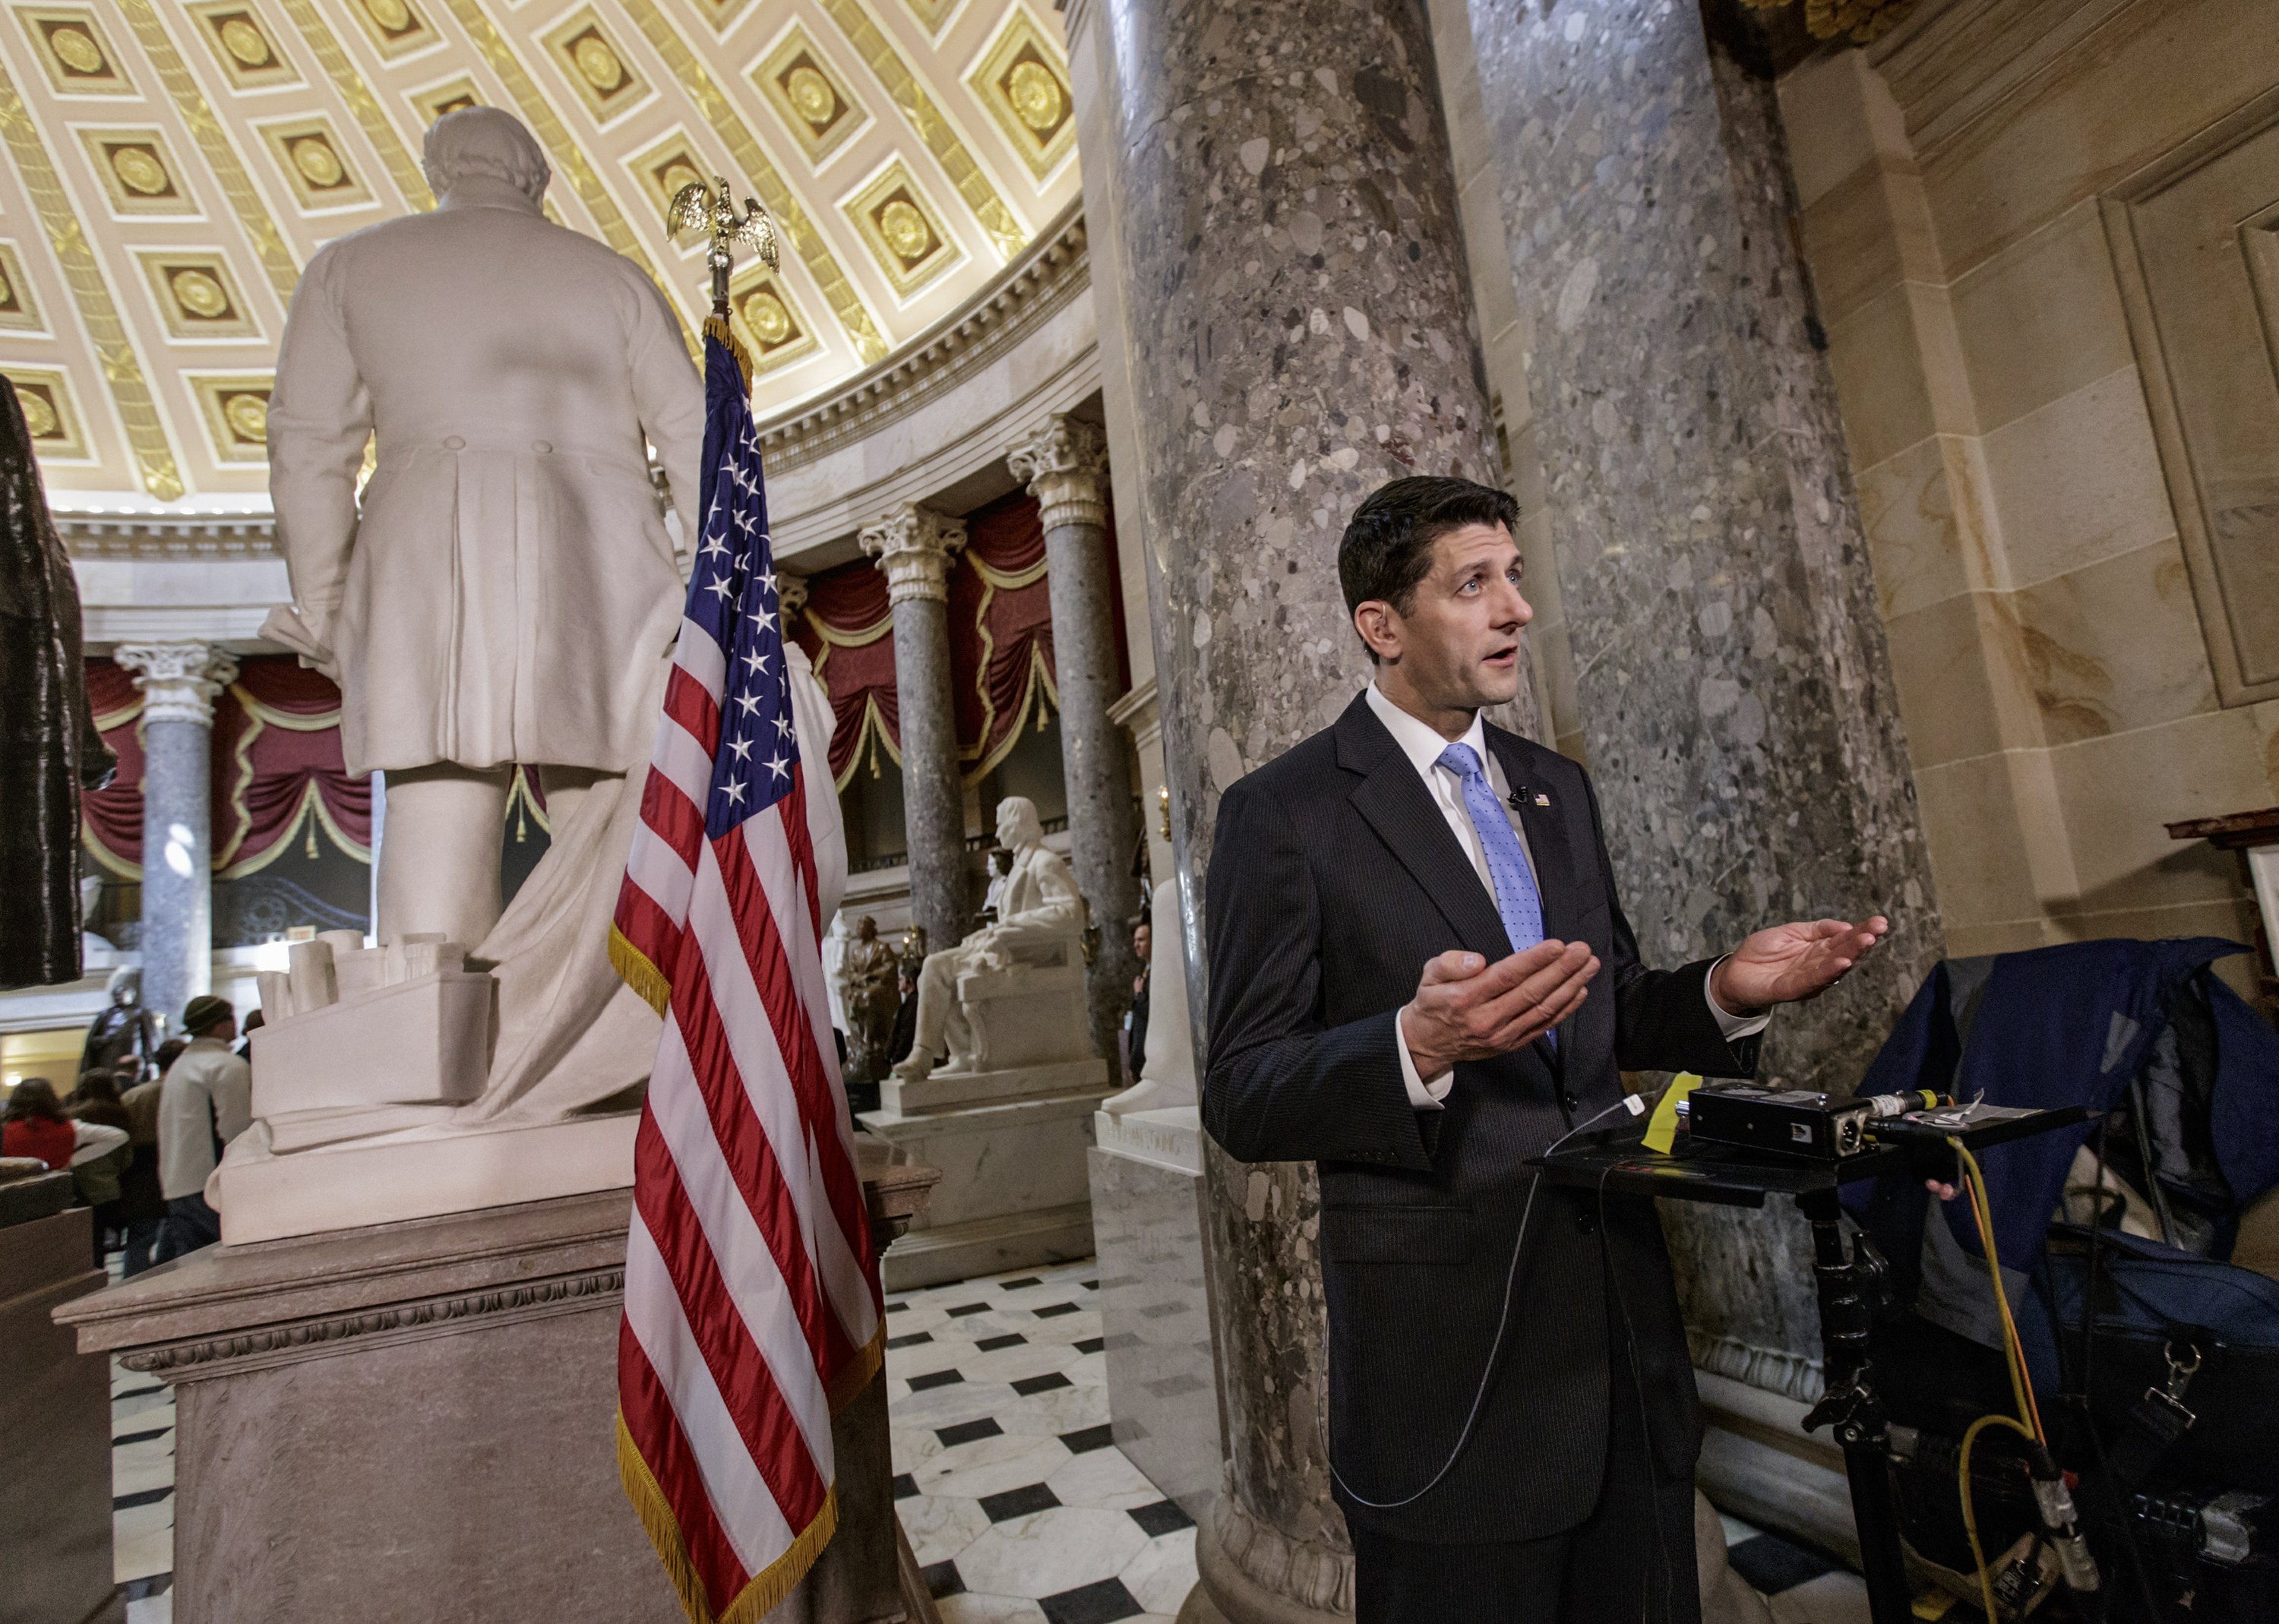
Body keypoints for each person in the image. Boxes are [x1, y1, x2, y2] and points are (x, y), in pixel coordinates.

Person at [1203, 476, 1892, 1624]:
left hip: (1623, 1340)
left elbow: (1601, 1004)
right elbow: (1242, 1087)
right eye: (1475, 584)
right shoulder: (1286, 813)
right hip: (1452, 1367)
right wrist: (1414, 1045)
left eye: (1515, 576)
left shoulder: (1554, 786)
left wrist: (1725, 990)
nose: (1517, 607)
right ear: (1384, 624)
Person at [155, 995, 252, 1262]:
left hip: (177, 1182)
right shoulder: (225, 1066)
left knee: (195, 1266)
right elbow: (237, 1130)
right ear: (219, 1025)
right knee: (234, 1262)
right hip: (211, 1182)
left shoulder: (180, 1066)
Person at [3, 1077, 128, 1175]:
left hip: (16, 1191)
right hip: (58, 1188)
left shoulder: (6, 1131)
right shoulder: (72, 1128)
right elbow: (119, 1136)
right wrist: (73, 1160)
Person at [116, 1062, 167, 1276]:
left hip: (137, 1168)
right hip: (158, 1162)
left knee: (141, 1233)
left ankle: (135, 1279)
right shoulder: (171, 1090)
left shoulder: (133, 1097)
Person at [1121, 916, 1152, 1086]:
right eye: (1135, 940)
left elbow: (1154, 1014)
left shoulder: (1157, 975)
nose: (1136, 945)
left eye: (1141, 940)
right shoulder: (1146, 972)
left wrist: (1139, 995)